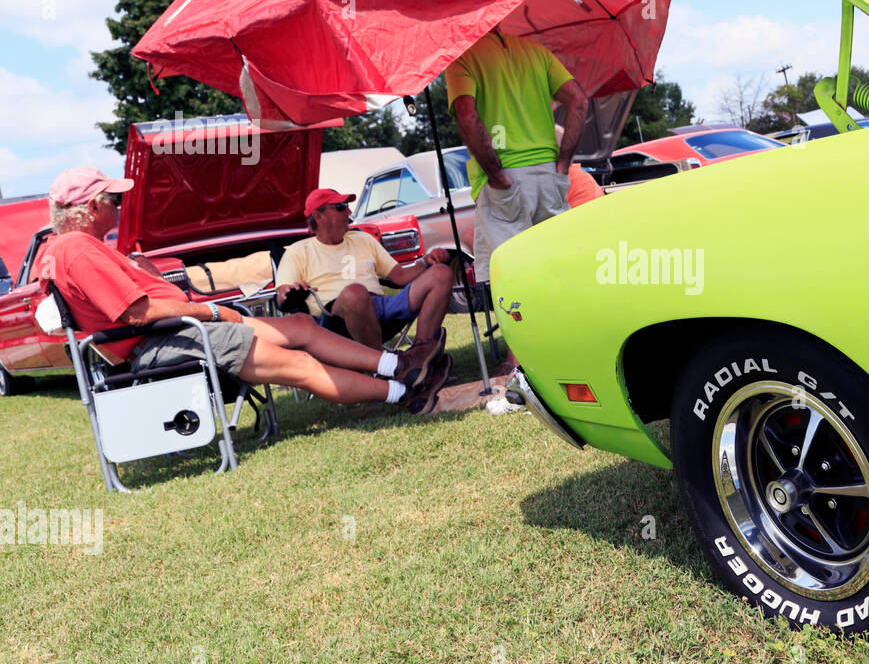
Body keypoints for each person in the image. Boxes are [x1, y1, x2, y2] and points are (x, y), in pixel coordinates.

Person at [41, 167, 451, 415]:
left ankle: (396, 365)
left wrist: (155, 279)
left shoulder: (71, 248)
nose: (119, 206)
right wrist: (215, 313)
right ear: (92, 207)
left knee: (299, 324)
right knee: (302, 366)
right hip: (166, 338)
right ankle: (405, 391)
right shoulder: (75, 248)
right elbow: (136, 314)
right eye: (113, 199)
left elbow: (140, 303)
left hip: (175, 329)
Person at [447, 27, 589, 277]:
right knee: (558, 267)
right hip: (549, 174)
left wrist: (495, 175)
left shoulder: (463, 56)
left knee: (512, 276)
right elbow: (579, 100)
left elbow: (466, 114)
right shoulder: (536, 51)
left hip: (505, 180)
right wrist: (563, 163)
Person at [276, 188, 453, 351]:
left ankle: (421, 357)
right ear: (319, 216)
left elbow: (399, 276)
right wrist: (290, 293)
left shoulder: (363, 239)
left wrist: (425, 261)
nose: (349, 212)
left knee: (441, 274)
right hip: (334, 320)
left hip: (380, 306)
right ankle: (383, 368)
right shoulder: (298, 252)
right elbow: (283, 294)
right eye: (340, 207)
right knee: (355, 293)